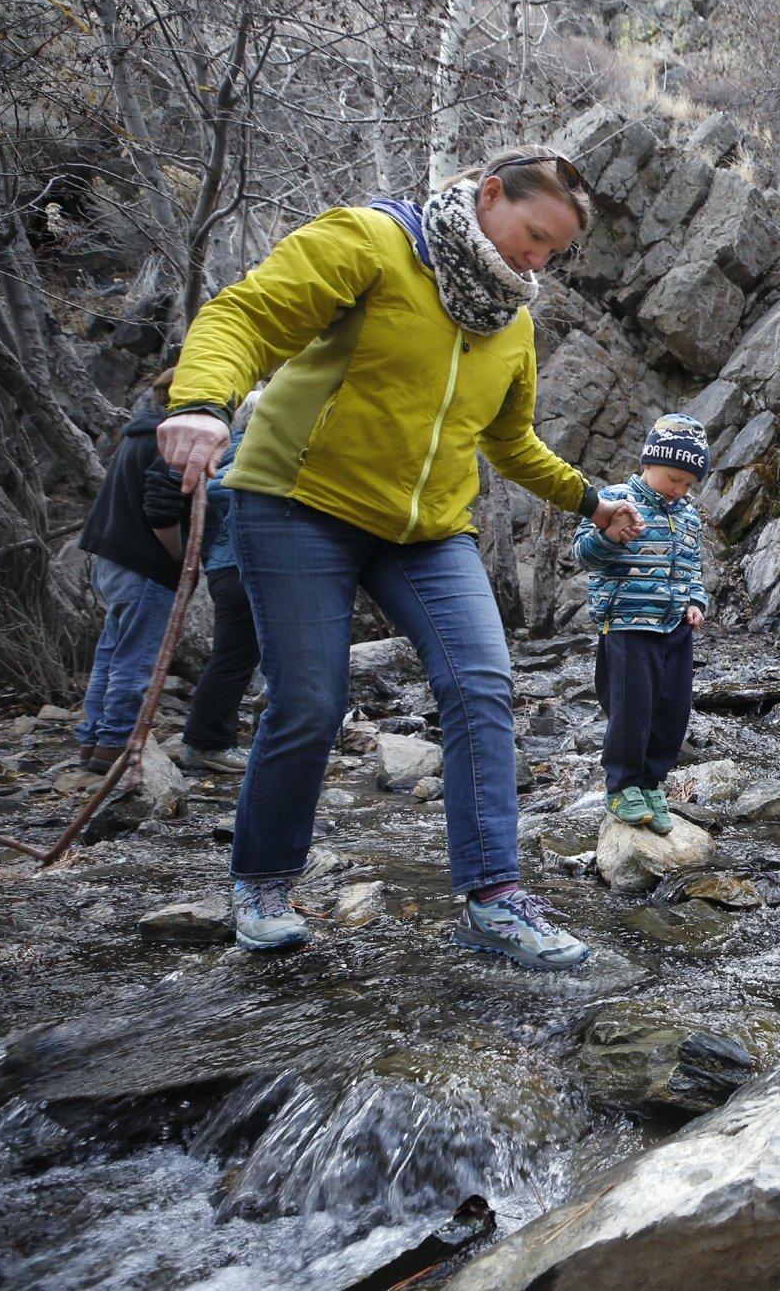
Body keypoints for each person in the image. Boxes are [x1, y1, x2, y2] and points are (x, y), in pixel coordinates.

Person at [156, 145, 643, 968]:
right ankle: (264, 880)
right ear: (489, 194)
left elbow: (508, 438)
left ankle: (493, 898)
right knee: (310, 699)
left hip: (426, 529)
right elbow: (245, 318)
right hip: (299, 501)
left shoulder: (513, 319)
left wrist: (590, 499)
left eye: (553, 253)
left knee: (481, 682)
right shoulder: (372, 242)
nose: (537, 260)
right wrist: (202, 403)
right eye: (532, 236)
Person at [573, 414, 710, 835]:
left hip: (674, 627)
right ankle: (622, 786)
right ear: (649, 462)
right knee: (632, 709)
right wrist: (610, 537)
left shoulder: (687, 516)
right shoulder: (613, 500)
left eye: (689, 484)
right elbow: (583, 553)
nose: (680, 490)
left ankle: (652, 784)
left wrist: (694, 600)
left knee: (673, 709)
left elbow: (691, 567)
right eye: (674, 479)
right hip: (628, 623)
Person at [76, 367, 196, 774]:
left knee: (111, 654)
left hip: (112, 560)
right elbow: (161, 509)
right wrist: (180, 559)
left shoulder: (141, 432)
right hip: (144, 565)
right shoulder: (174, 440)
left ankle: (93, 743)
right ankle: (115, 748)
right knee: (136, 658)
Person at [176, 425, 259, 773]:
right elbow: (220, 488)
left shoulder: (236, 446)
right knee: (232, 659)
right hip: (238, 568)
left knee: (237, 659)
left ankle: (217, 740)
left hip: (233, 567)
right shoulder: (245, 446)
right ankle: (205, 743)